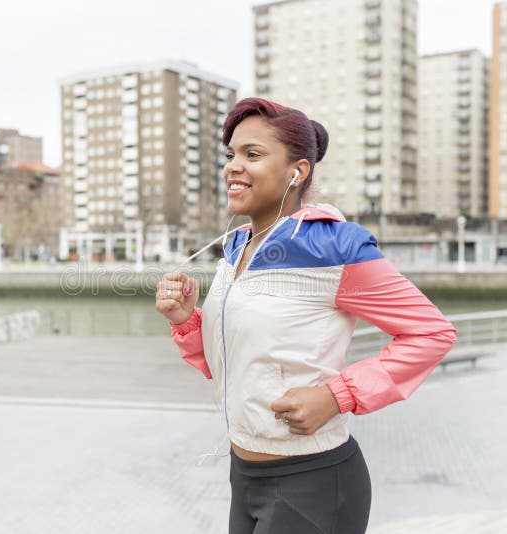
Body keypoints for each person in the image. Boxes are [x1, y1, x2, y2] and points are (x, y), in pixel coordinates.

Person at [155, 98, 457, 534]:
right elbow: (236, 361)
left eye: (252, 155)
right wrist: (187, 320)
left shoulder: (335, 247)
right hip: (245, 475)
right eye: (231, 155)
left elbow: (431, 333)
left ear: (297, 171)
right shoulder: (237, 247)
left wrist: (337, 396)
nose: (233, 167)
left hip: (313, 482)